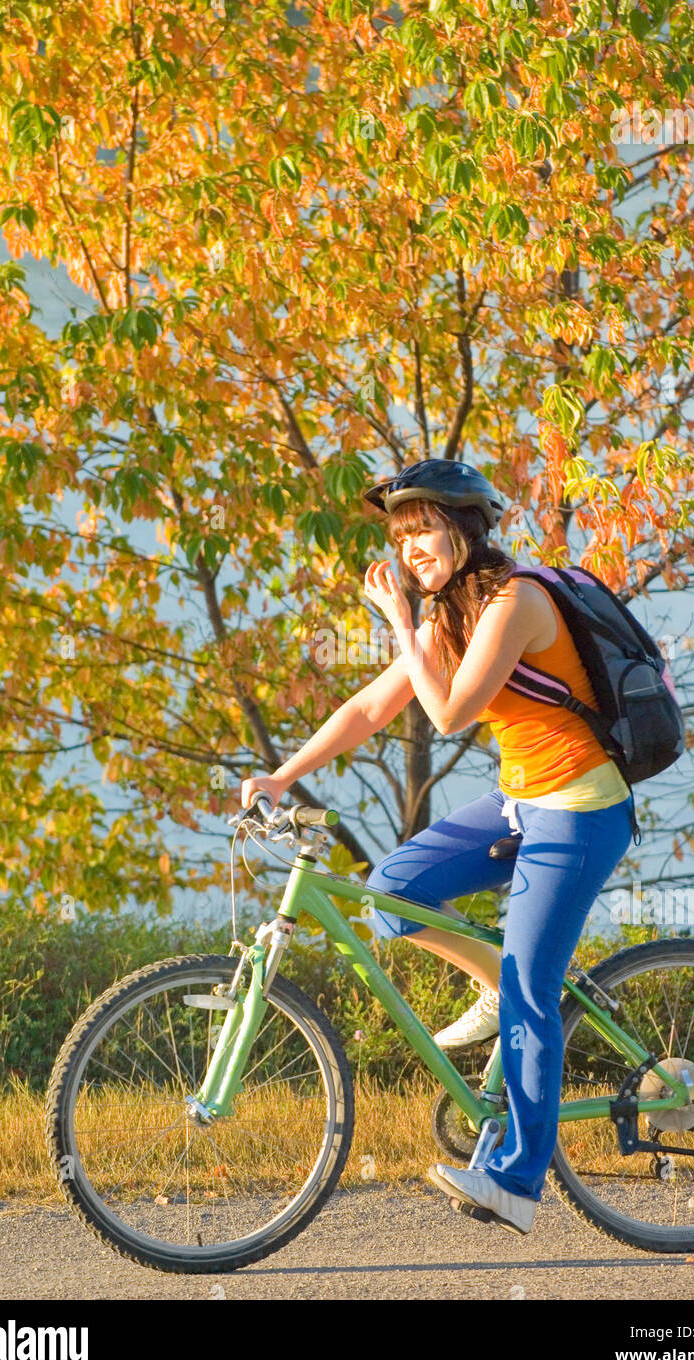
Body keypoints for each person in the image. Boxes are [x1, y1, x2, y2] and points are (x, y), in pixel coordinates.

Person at [241, 457, 634, 1235]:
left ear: (464, 530)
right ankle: (503, 987)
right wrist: (283, 777)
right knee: (393, 891)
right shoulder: (453, 613)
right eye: (401, 535)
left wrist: (396, 622)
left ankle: (515, 1182)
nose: (410, 548)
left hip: (579, 811)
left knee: (531, 993)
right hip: (521, 802)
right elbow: (371, 706)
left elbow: (449, 713)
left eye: (424, 530)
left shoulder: (515, 600)